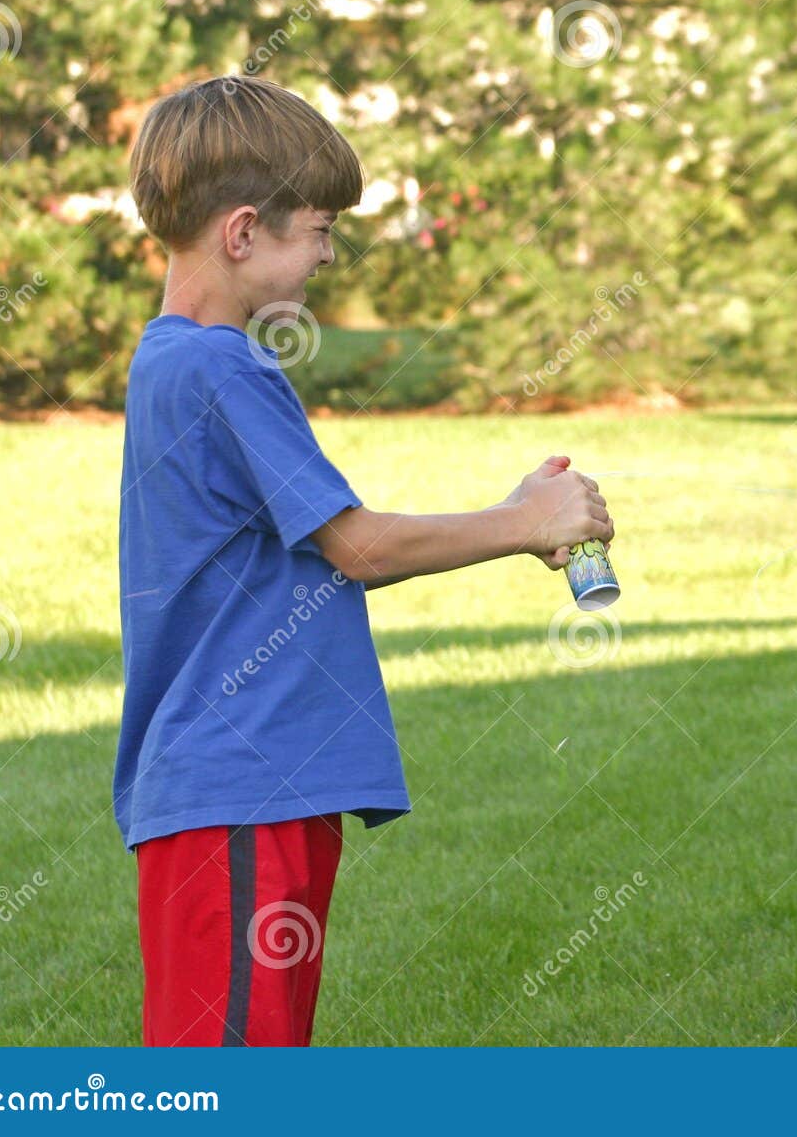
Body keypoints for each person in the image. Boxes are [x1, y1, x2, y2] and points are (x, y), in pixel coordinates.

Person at [118, 74, 613, 1046]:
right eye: (320, 233)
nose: (328, 257)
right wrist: (523, 518)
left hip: (246, 790)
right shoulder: (219, 365)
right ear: (244, 230)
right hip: (240, 790)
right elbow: (362, 544)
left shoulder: (175, 358)